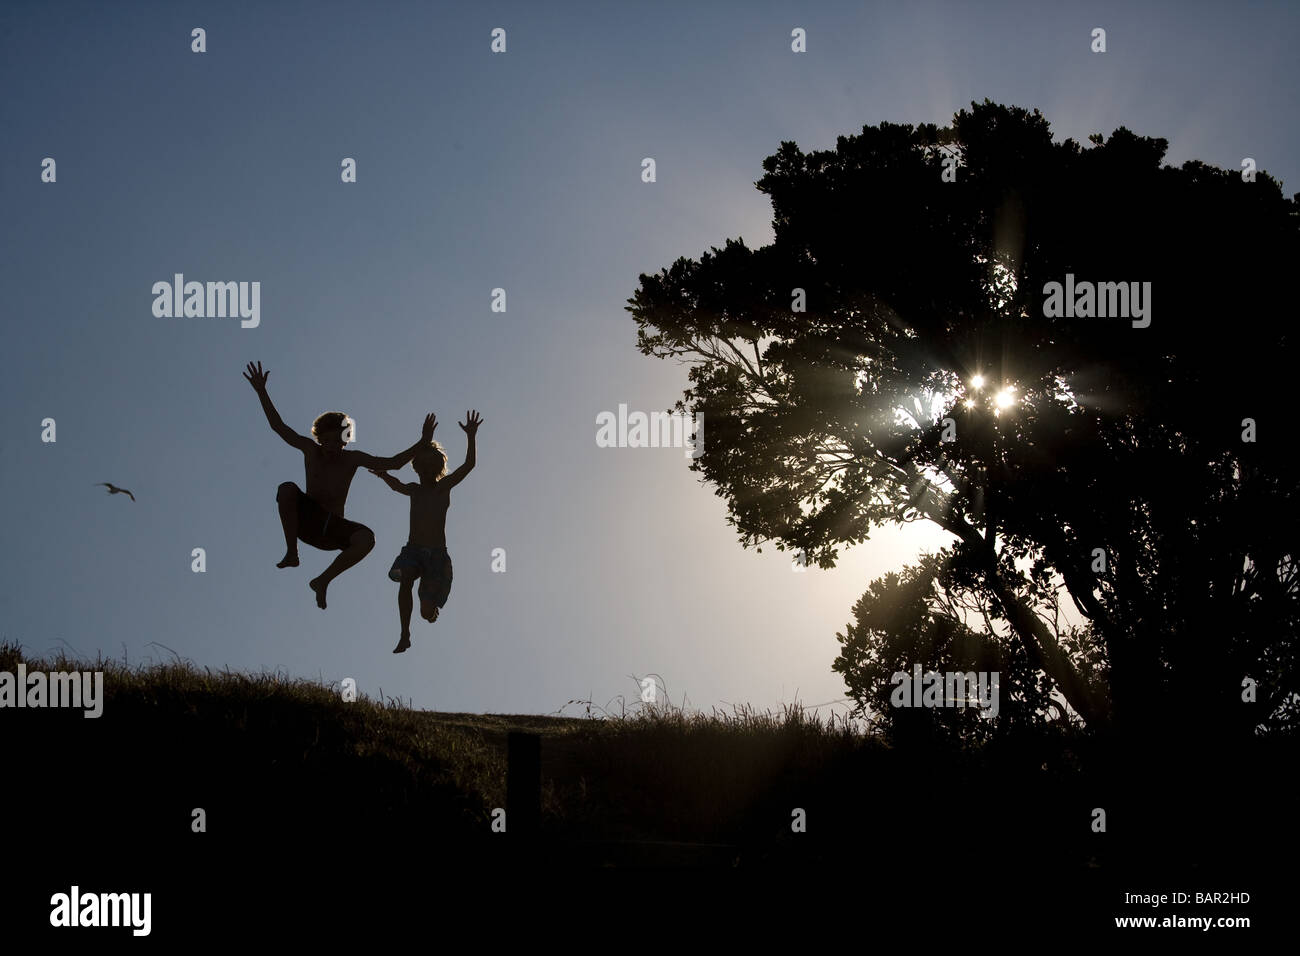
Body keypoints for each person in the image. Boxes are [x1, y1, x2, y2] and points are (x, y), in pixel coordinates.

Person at [243, 360, 433, 609]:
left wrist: (422, 442)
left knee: (367, 539)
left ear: (345, 441)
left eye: (339, 442)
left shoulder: (352, 459)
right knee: (286, 488)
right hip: (306, 522)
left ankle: (322, 581)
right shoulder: (310, 450)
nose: (333, 448)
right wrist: (261, 391)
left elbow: (393, 463)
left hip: (332, 530)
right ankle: (292, 553)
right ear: (319, 439)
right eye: (328, 441)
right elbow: (279, 427)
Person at [370, 410, 481, 653]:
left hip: (437, 557)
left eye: (434, 464)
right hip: (413, 550)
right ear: (417, 468)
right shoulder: (414, 490)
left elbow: (469, 465)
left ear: (439, 468)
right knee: (405, 579)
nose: (428, 468)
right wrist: (383, 474)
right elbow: (396, 485)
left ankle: (430, 610)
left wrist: (471, 436)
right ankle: (404, 634)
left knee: (425, 611)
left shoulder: (443, 488)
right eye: (424, 464)